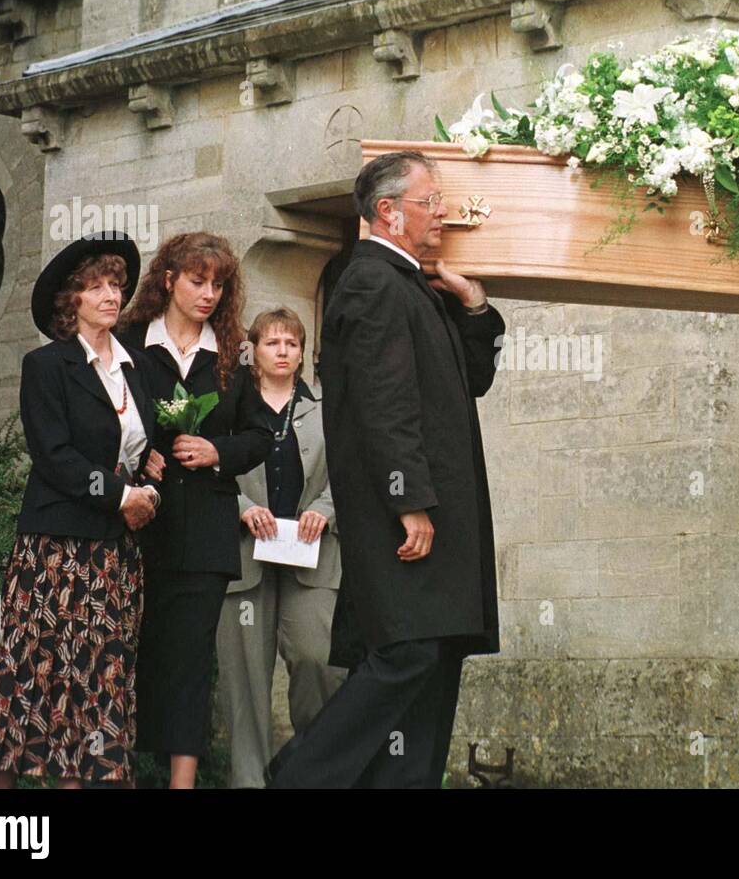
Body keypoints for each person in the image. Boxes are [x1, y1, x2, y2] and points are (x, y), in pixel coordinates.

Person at [268, 150, 505, 788]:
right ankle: (298, 779)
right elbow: (383, 403)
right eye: (433, 202)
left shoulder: (410, 287)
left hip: (434, 511)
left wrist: (475, 307)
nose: (445, 213)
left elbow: (468, 382)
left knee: (437, 654)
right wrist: (409, 500)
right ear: (389, 212)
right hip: (403, 515)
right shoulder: (372, 282)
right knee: (408, 651)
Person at [0, 232, 163, 788]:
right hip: (56, 549)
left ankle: (83, 779)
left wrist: (147, 486)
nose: (110, 295)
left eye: (117, 284)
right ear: (69, 300)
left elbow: (142, 453)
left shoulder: (136, 368)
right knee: (31, 672)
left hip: (115, 553)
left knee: (98, 677)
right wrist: (121, 496)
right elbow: (54, 455)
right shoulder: (46, 365)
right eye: (95, 285)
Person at [120, 232, 271, 788]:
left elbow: (260, 434)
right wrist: (142, 459)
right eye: (197, 280)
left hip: (206, 531)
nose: (209, 293)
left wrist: (217, 451)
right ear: (169, 279)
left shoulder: (234, 352)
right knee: (131, 654)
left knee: (189, 660)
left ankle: (181, 784)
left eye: (219, 284)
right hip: (138, 526)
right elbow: (107, 419)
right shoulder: (129, 341)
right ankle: (117, 772)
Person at [216, 307, 345, 788]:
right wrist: (243, 506)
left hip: (310, 556)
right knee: (245, 682)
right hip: (247, 557)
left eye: (292, 343)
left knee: (318, 660)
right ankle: (249, 783)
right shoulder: (230, 409)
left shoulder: (326, 410)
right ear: (254, 352)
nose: (283, 351)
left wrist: (325, 510)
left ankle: (312, 773)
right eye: (272, 343)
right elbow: (209, 468)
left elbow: (348, 476)